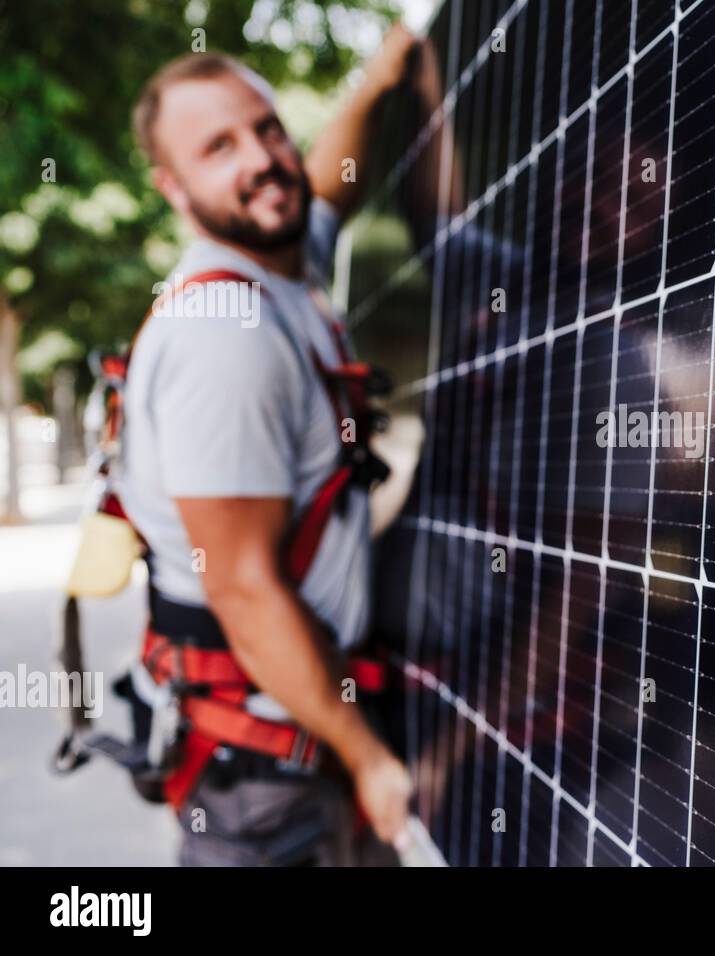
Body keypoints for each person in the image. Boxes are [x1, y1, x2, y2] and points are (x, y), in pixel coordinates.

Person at [116, 24, 435, 866]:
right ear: (174, 189)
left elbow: (326, 188)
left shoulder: (284, 270)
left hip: (291, 744)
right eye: (217, 147)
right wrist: (366, 754)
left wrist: (379, 80)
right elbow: (246, 591)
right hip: (265, 778)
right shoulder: (228, 333)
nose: (258, 158)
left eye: (265, 128)